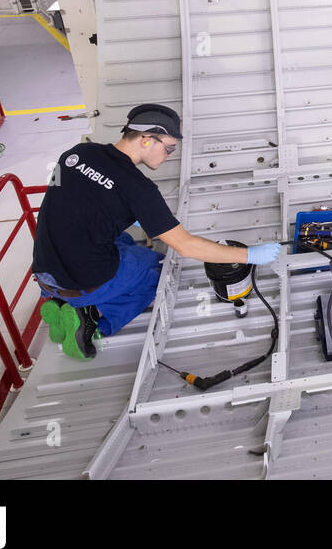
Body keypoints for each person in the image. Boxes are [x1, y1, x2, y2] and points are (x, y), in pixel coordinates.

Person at [32, 103, 280, 359]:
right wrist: (249, 255)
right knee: (159, 269)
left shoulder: (76, 153)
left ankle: (61, 301)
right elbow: (186, 246)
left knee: (124, 239)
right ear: (147, 139)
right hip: (81, 283)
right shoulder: (139, 189)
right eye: (169, 148)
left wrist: (138, 216)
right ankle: (93, 318)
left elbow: (64, 201)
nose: (170, 155)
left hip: (44, 269)